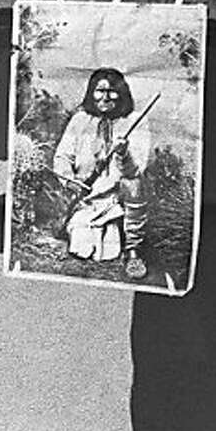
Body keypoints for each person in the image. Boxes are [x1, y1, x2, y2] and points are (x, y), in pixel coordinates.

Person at [51, 68, 150, 279]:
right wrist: (71, 181)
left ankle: (133, 250)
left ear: (122, 93)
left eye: (112, 91)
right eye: (100, 91)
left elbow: (136, 171)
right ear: (91, 92)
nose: (105, 97)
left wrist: (123, 154)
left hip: (119, 199)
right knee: (85, 247)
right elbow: (62, 158)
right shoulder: (80, 120)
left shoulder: (135, 121)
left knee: (134, 184)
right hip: (86, 198)